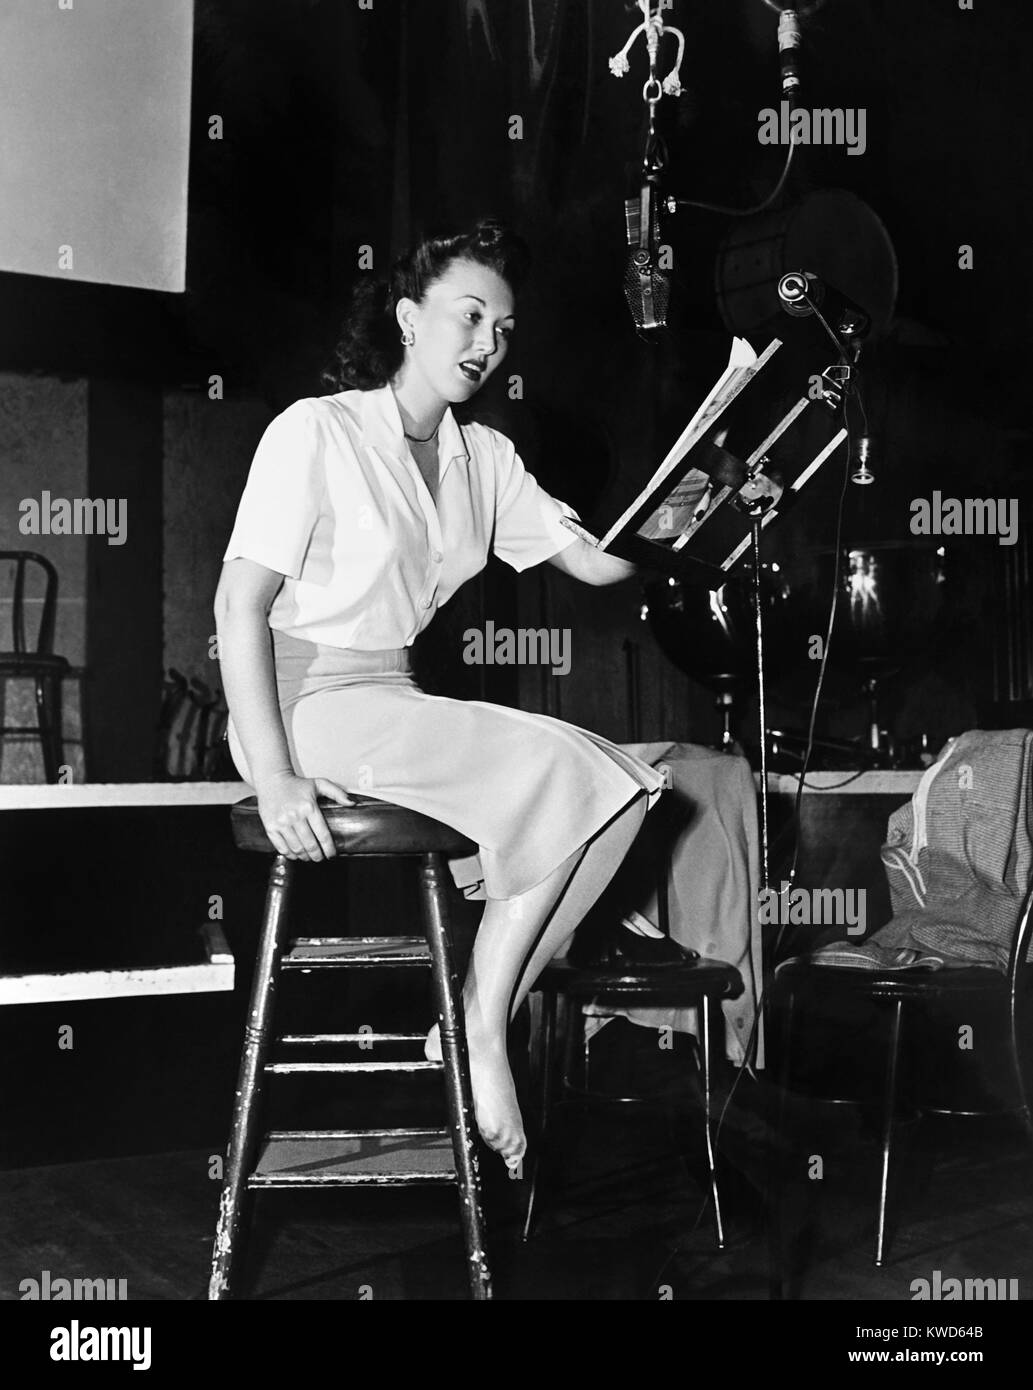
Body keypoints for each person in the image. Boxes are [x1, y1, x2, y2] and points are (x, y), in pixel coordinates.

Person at [213, 218, 665, 1168]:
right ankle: (483, 1035)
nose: (486, 343)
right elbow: (236, 607)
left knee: (626, 789)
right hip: (301, 705)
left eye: (502, 328)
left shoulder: (483, 457)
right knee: (562, 770)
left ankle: (473, 1014)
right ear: (409, 317)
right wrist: (276, 777)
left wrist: (681, 514)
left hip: (391, 697)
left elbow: (592, 563)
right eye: (468, 316)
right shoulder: (317, 430)